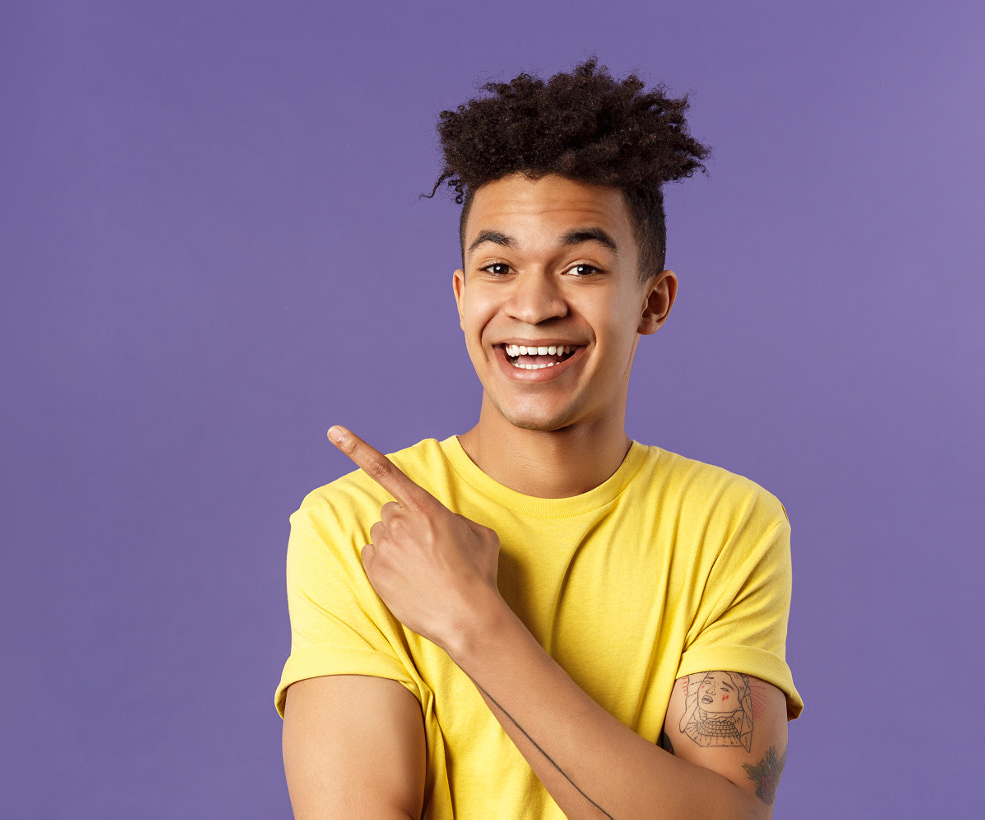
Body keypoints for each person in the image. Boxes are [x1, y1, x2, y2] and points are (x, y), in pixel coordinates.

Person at [276, 58, 801, 819]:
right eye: (498, 266)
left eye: (582, 266)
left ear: (653, 302)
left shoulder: (727, 523)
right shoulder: (358, 528)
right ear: (462, 298)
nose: (532, 305)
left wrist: (472, 618)